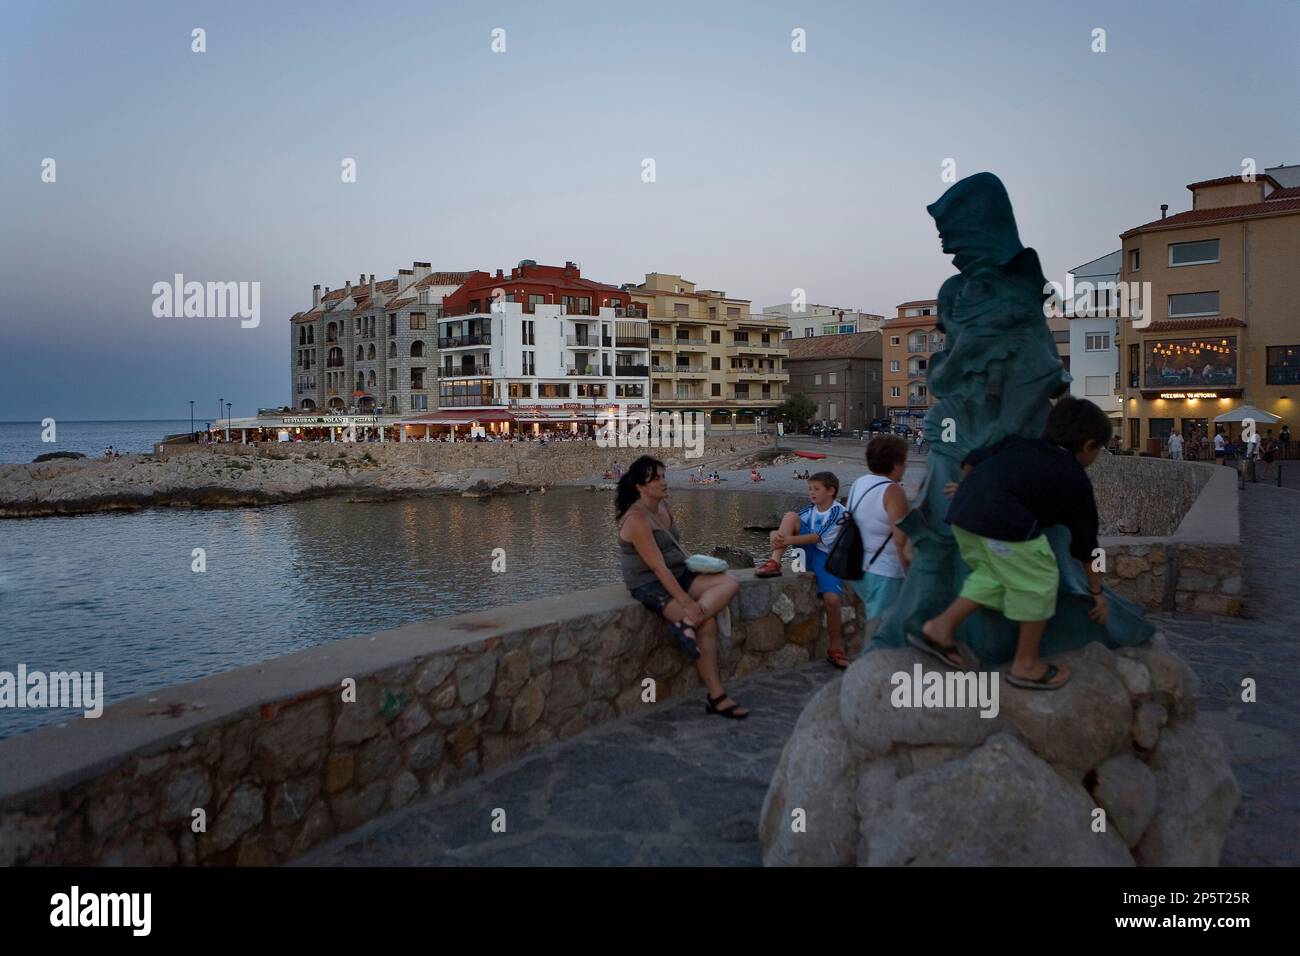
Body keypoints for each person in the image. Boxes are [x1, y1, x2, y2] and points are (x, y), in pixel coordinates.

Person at [913, 396, 1113, 691]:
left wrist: (968, 488)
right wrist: (1097, 592)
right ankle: (1026, 665)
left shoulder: (1018, 443)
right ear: (1088, 445)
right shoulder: (1075, 479)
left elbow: (973, 459)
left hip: (963, 518)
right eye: (1099, 449)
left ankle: (940, 628)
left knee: (992, 576)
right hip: (1004, 528)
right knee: (1040, 580)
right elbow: (1088, 546)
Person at [616, 456, 747, 719]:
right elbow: (658, 568)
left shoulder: (663, 506)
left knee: (730, 582)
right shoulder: (636, 519)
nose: (664, 482)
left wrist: (690, 611)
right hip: (649, 583)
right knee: (707, 624)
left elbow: (673, 553)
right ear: (640, 486)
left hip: (680, 573)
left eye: (663, 476)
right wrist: (687, 603)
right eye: (656, 478)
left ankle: (686, 624)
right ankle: (717, 697)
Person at [754, 472, 851, 669]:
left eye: (816, 489)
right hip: (808, 553)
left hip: (827, 557)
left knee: (832, 600)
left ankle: (835, 647)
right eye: (810, 489)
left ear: (831, 491)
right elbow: (792, 524)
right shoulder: (810, 509)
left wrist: (784, 540)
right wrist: (775, 534)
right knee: (790, 516)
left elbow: (817, 537)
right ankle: (774, 562)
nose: (811, 493)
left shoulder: (838, 512)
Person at [846, 436, 911, 641]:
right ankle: (873, 662)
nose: (906, 466)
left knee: (875, 626)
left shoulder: (860, 483)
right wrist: (909, 575)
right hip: (885, 572)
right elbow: (900, 539)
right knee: (882, 635)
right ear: (895, 463)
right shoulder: (893, 491)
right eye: (904, 461)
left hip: (859, 568)